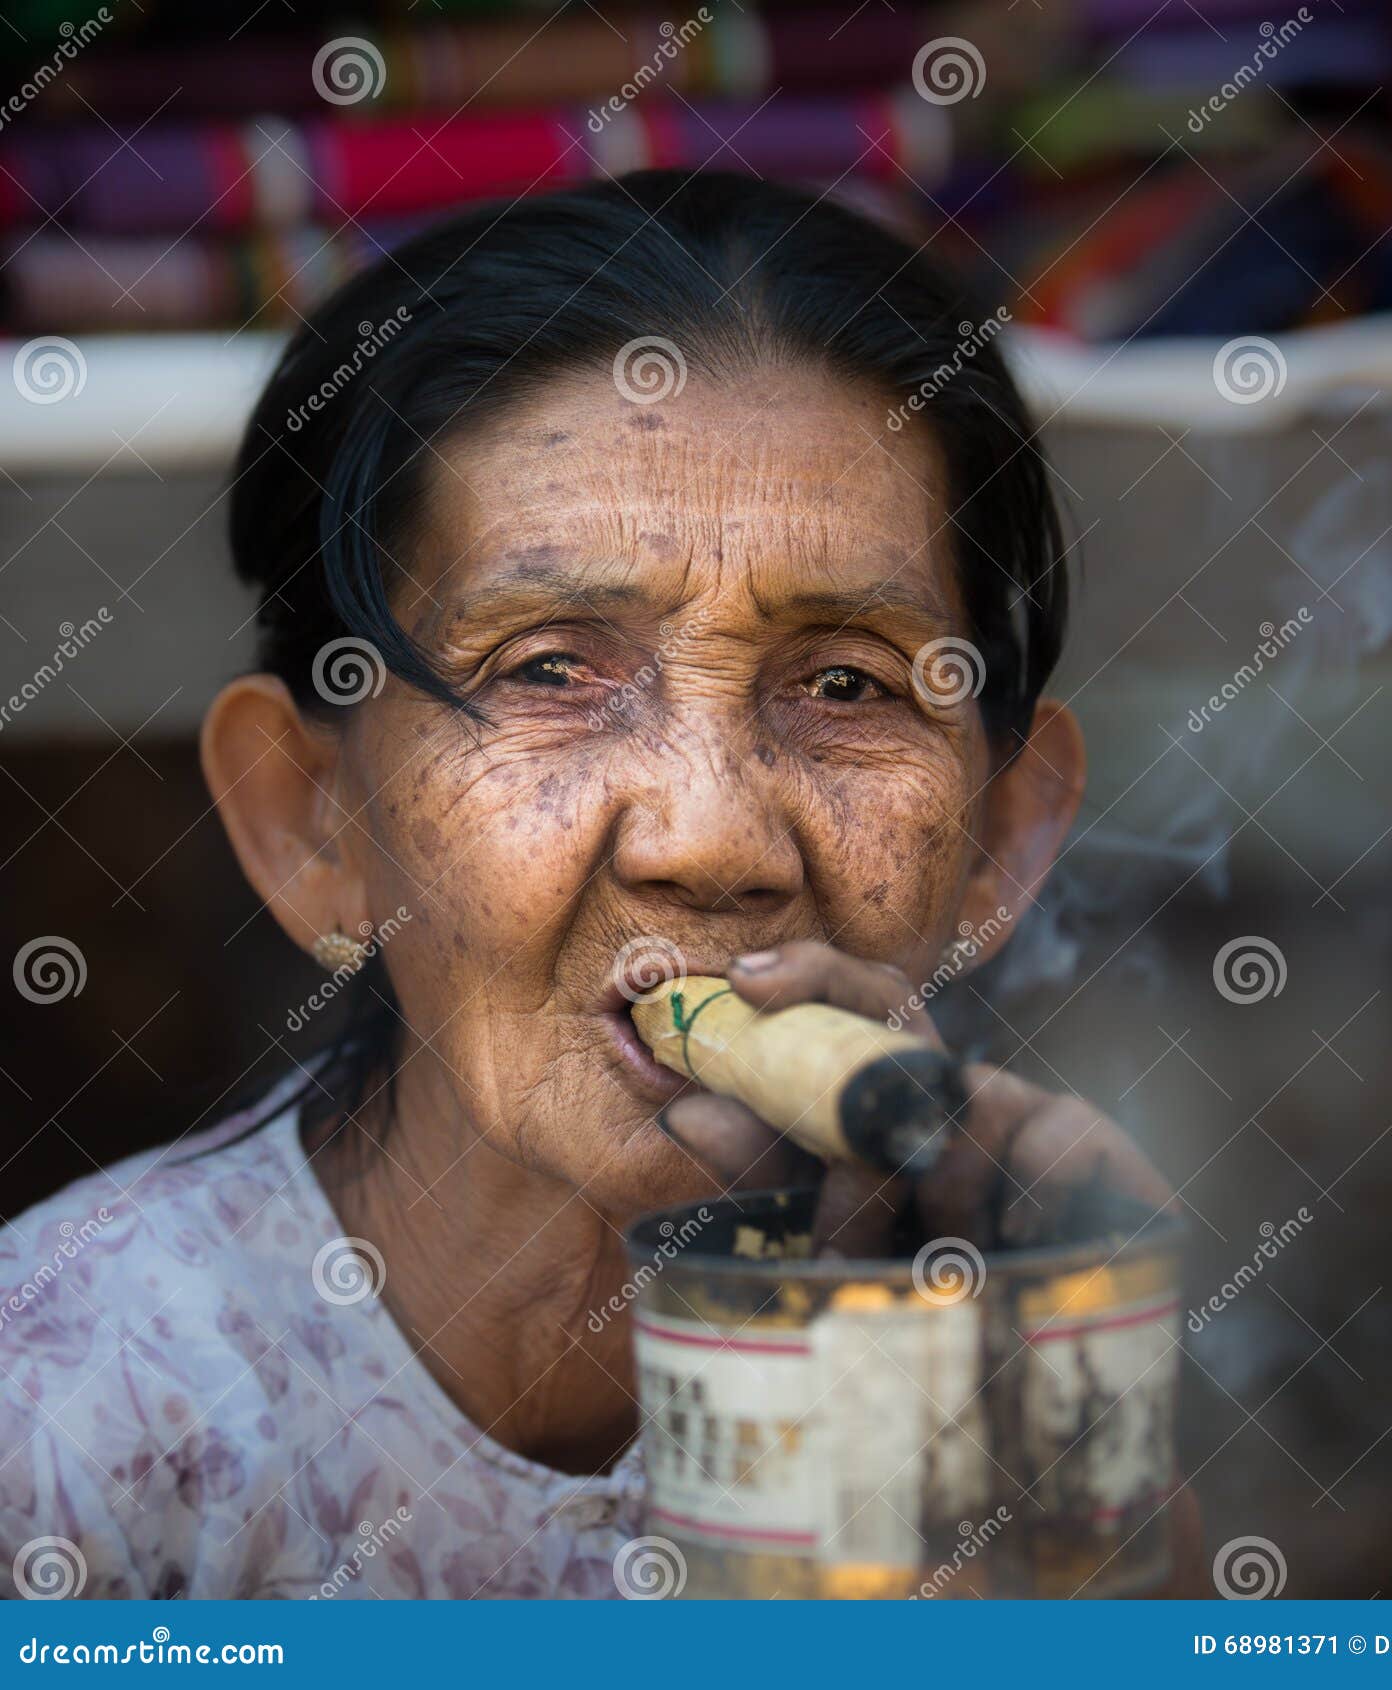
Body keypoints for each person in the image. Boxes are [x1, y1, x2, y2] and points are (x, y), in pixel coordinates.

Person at [0, 171, 1198, 1598]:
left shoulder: (1012, 1397)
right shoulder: (73, 1428)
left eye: (844, 684)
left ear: (1002, 832)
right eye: (552, 671)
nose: (709, 839)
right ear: (316, 824)